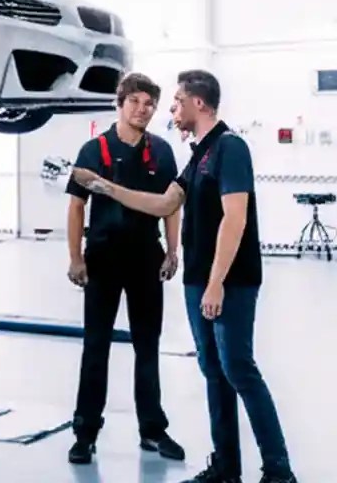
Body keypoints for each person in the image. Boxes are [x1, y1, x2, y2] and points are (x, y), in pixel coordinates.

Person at [70, 69, 297, 483]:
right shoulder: (198, 156)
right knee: (214, 370)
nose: (167, 109)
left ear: (198, 103)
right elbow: (161, 205)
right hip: (196, 280)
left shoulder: (230, 148)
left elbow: (236, 218)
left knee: (239, 368)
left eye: (174, 101)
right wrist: (105, 187)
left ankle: (278, 470)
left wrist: (214, 282)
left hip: (229, 281)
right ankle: (226, 466)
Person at [64, 73, 185, 465]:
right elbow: (76, 206)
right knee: (95, 346)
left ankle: (152, 429)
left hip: (146, 259)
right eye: (135, 101)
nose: (142, 109)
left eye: (149, 104)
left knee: (147, 346)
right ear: (120, 103)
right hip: (102, 258)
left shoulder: (162, 152)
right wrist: (75, 257)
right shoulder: (93, 150)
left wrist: (172, 249)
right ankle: (85, 432)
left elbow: (171, 203)